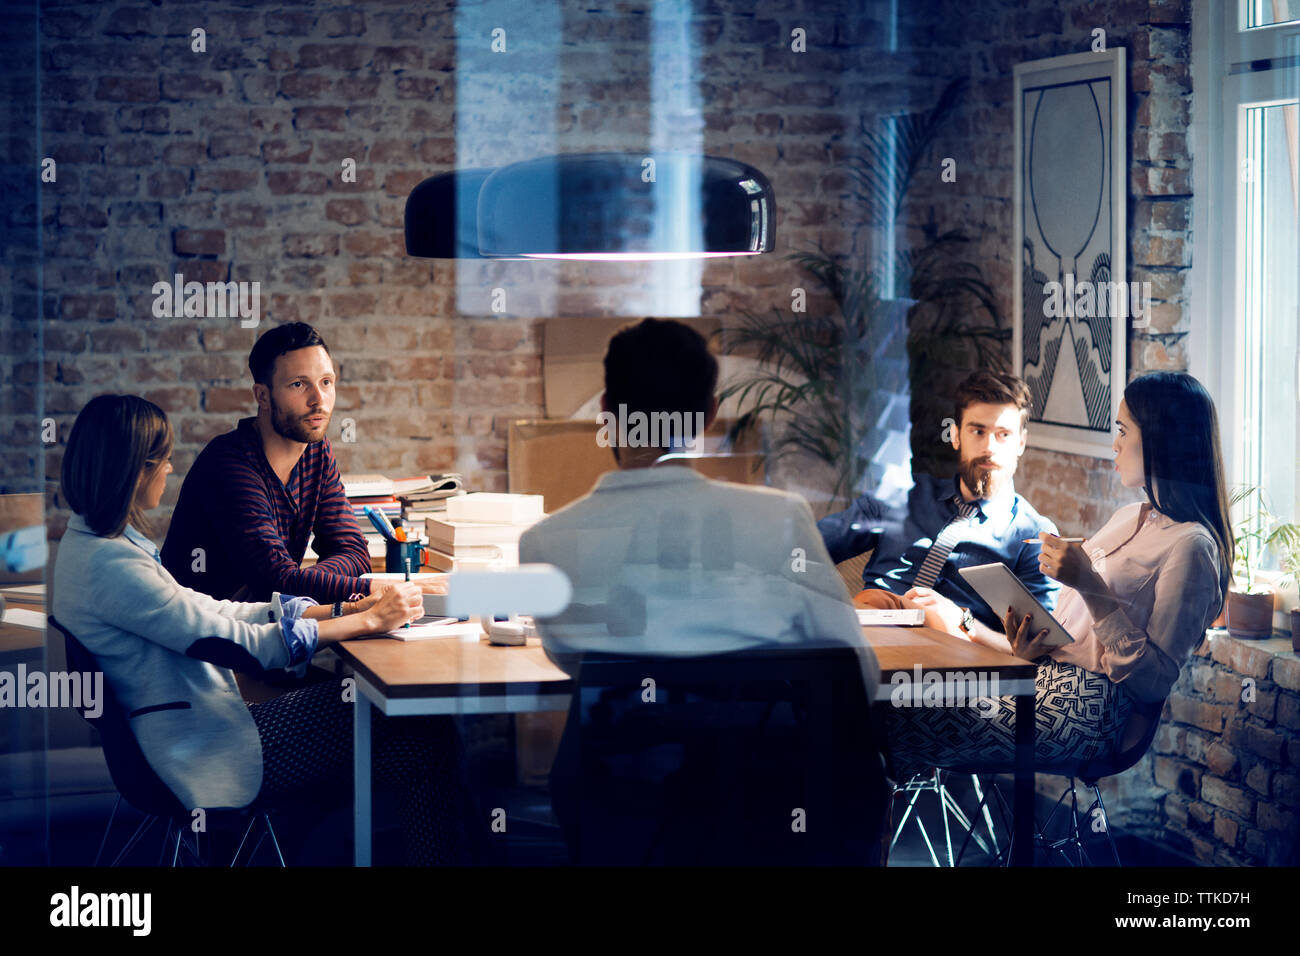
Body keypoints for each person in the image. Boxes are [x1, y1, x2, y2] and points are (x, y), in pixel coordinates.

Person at [519, 318, 886, 865]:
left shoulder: (545, 542)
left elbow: (578, 665)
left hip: (622, 812)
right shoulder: (779, 518)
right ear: (709, 415)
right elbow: (854, 671)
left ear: (603, 412)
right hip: (775, 813)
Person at [53, 394, 473, 864]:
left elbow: (215, 612)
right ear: (135, 469)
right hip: (205, 751)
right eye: (164, 459)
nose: (170, 468)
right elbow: (243, 648)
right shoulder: (112, 566)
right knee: (423, 729)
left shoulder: (94, 547)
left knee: (403, 723)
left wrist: (339, 610)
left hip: (187, 734)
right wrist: (369, 620)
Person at [886, 371, 1233, 775]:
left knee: (896, 712)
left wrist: (1089, 584)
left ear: (1161, 439)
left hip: (1087, 709)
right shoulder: (1129, 517)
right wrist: (1021, 641)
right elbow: (1069, 642)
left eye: (1123, 430)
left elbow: (1153, 684)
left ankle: (843, 833)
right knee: (878, 700)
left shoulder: (1192, 546)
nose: (1115, 443)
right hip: (1038, 676)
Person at [161, 322, 431, 605]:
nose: (319, 400)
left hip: (270, 626)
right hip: (205, 638)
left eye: (326, 382)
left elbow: (353, 551)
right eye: (299, 385)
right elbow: (276, 584)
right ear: (262, 396)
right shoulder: (229, 465)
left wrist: (304, 582)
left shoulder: (315, 450)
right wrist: (381, 590)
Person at [818, 369, 1060, 640]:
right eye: (978, 431)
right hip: (868, 633)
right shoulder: (903, 495)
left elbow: (1035, 650)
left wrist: (963, 620)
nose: (989, 447)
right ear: (956, 436)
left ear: (1021, 443)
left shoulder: (1034, 535)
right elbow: (811, 545)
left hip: (951, 660)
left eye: (1003, 434)